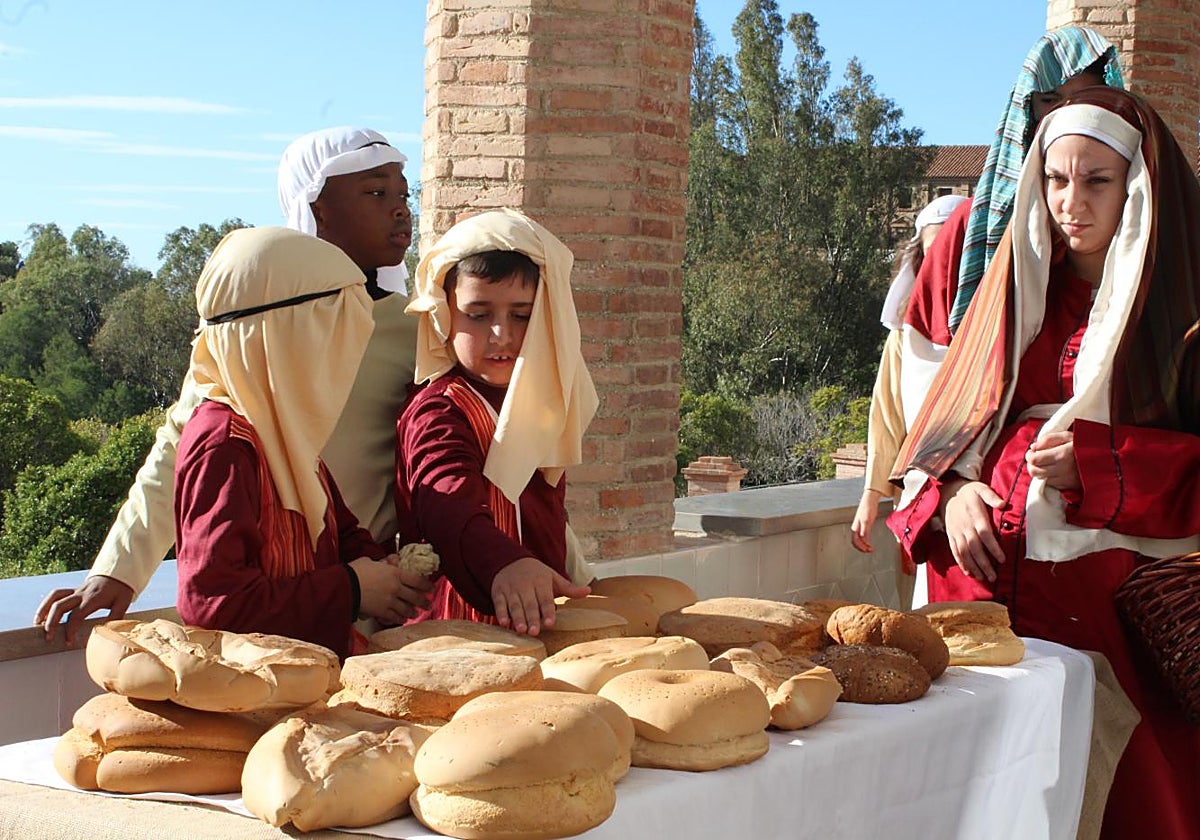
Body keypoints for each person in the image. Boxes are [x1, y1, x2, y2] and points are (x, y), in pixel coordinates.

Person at [889, 86, 1200, 839]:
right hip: (987, 584)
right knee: (980, 784)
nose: (1071, 202)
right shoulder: (1016, 295)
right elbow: (944, 429)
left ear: (1138, 184)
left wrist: (1100, 461)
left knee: (1129, 788)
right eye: (1056, 179)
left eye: (1096, 181)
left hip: (1121, 607)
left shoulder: (1187, 309)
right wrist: (954, 491)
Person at [36, 127, 434, 643]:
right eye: (376, 193)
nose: (401, 211)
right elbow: (178, 450)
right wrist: (117, 569)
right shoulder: (250, 329)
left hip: (364, 604)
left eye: (403, 196)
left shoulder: (417, 328)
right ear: (317, 206)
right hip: (268, 609)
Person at [174, 226, 414, 659]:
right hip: (255, 708)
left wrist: (382, 570)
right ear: (281, 341)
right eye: (332, 344)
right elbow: (212, 606)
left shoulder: (283, 434)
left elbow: (338, 529)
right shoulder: (225, 446)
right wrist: (353, 589)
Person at [396, 209, 597, 637]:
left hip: (538, 616)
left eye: (522, 315)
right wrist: (503, 562)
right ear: (445, 314)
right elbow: (444, 500)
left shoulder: (540, 399)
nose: (501, 334)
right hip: (460, 627)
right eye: (478, 313)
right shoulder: (440, 409)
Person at [904, 26, 1123, 397]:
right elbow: (930, 352)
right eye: (1050, 100)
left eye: (1087, 100)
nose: (1066, 115)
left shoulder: (1145, 222)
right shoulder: (970, 226)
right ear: (1027, 110)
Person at [850, 194, 968, 562]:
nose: (944, 264)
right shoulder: (904, 335)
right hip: (917, 497)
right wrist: (871, 495)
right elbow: (888, 416)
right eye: (935, 253)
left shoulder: (996, 324)